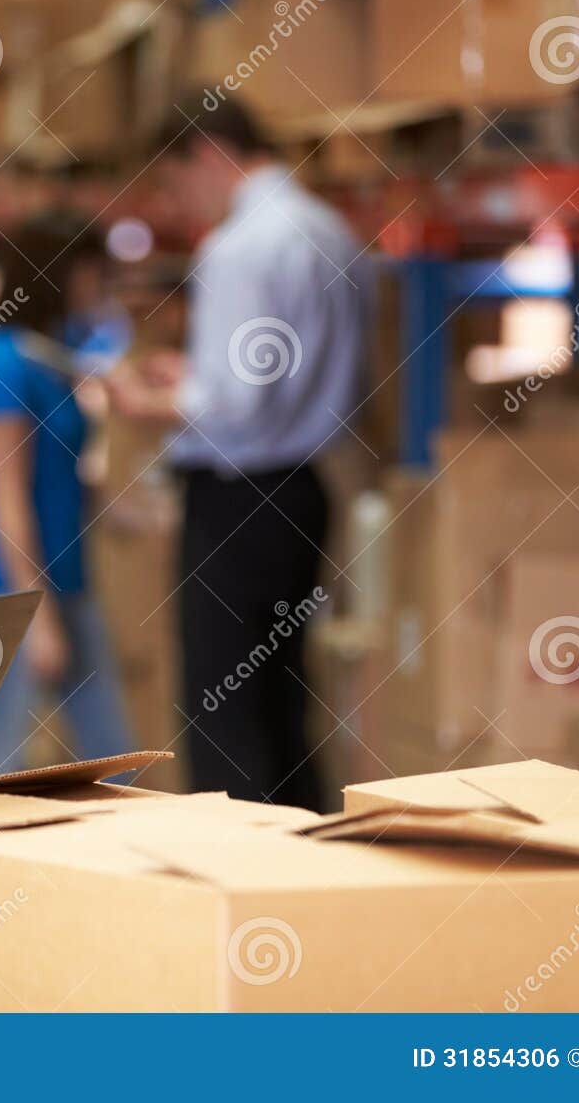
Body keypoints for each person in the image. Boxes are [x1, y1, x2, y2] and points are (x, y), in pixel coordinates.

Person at [109, 96, 372, 810]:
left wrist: (146, 400)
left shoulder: (237, 248)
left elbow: (236, 402)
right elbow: (277, 381)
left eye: (174, 182)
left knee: (224, 714)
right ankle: (305, 869)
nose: (180, 202)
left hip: (234, 503)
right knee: (282, 700)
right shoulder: (330, 231)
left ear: (207, 154)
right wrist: (195, 380)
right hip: (300, 491)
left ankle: (237, 886)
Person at [0, 213, 133, 776]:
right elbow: (6, 496)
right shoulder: (2, 364)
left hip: (69, 584)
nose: (99, 287)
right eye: (90, 272)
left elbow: (71, 474)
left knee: (112, 760)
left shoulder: (51, 359)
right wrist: (35, 615)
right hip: (11, 596)